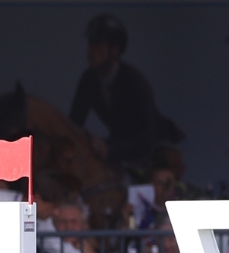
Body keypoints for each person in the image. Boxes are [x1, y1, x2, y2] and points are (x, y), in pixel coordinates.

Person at [68, 13, 184, 171]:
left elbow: (147, 137)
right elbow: (74, 123)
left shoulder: (134, 81)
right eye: (90, 43)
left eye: (98, 44)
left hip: (157, 149)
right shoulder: (88, 79)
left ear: (115, 49)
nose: (90, 50)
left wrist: (110, 150)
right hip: (123, 144)